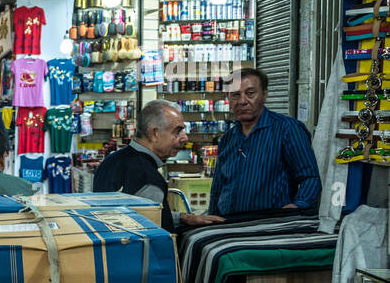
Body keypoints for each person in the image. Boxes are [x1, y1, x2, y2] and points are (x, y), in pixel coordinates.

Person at [92, 100, 224, 230]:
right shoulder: (148, 178)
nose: (185, 138)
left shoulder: (112, 160)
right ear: (154, 133)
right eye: (177, 131)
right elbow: (152, 234)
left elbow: (134, 216)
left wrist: (183, 217)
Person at [208, 68, 322, 216]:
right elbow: (218, 187)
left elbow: (310, 177)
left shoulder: (287, 129)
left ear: (264, 95)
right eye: (235, 95)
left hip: (269, 228)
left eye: (250, 94)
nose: (242, 101)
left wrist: (298, 206)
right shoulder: (227, 138)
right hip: (230, 226)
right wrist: (212, 218)